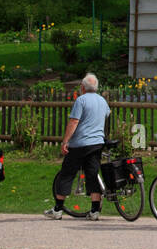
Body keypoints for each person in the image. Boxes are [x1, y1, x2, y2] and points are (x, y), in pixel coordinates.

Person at [45, 73, 110, 220]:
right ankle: (94, 211)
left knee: (67, 174)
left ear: (82, 87)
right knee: (92, 175)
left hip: (79, 144)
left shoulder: (81, 100)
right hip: (97, 143)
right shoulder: (102, 101)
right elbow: (106, 115)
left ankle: (57, 209)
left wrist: (65, 141)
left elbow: (74, 122)